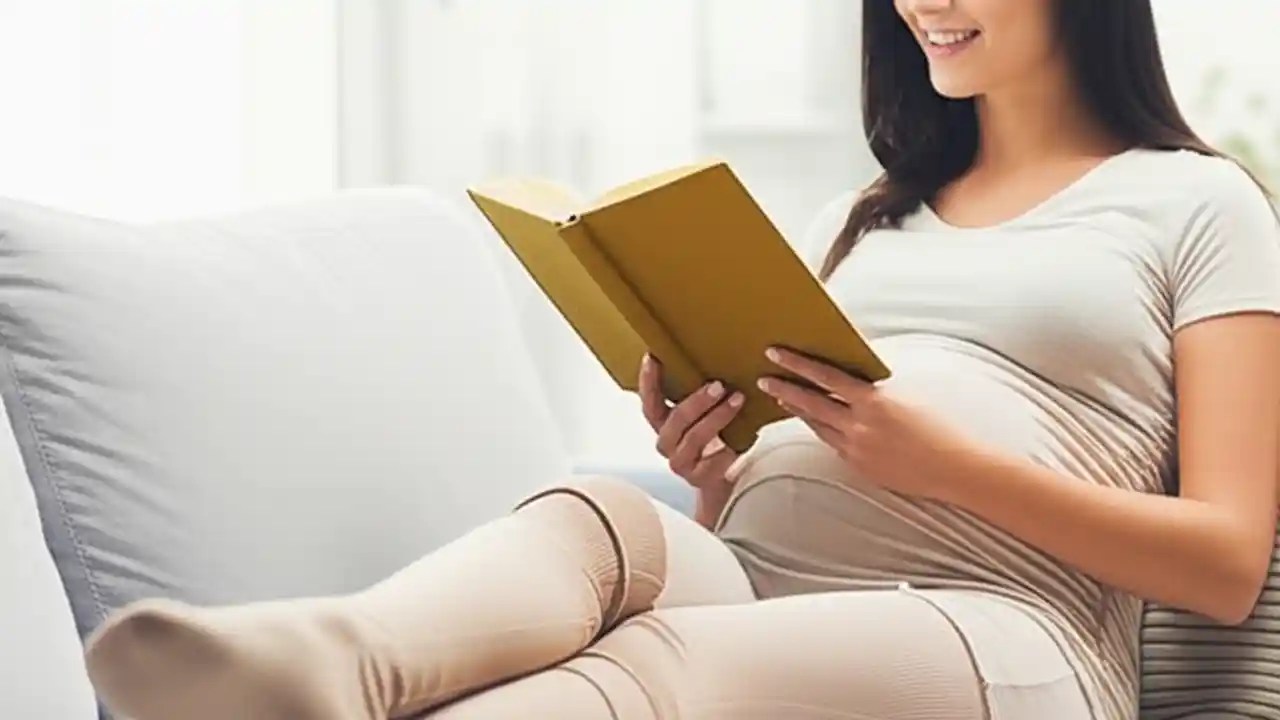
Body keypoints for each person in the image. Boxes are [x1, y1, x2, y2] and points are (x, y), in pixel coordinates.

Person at [83, 0, 1280, 718]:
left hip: (1008, 633)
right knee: (600, 513)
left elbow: (1226, 563)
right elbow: (772, 480)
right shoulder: (859, 217)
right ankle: (330, 660)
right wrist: (709, 462)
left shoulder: (1196, 206)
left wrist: (937, 463)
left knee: (663, 664)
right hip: (760, 581)